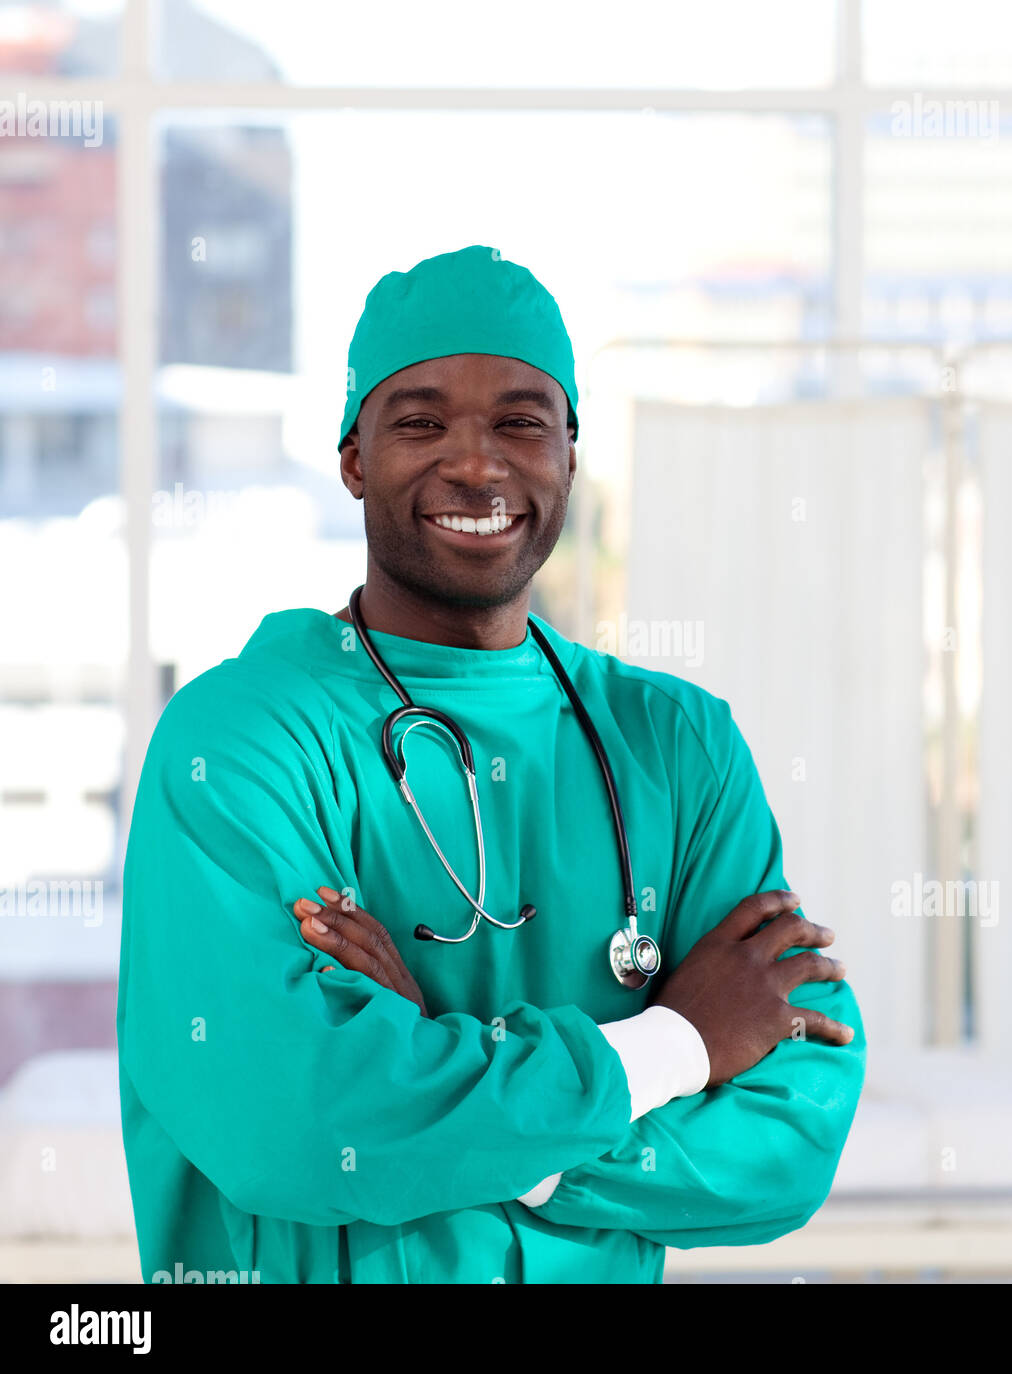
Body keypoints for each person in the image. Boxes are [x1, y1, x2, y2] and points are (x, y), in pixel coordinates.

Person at [116, 244, 866, 1284]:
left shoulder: (677, 744)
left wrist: (438, 1057)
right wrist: (671, 1050)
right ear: (352, 458)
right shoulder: (240, 740)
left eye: (520, 421)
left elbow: (790, 1136)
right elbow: (289, 1118)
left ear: (569, 451)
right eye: (419, 423)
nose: (475, 465)